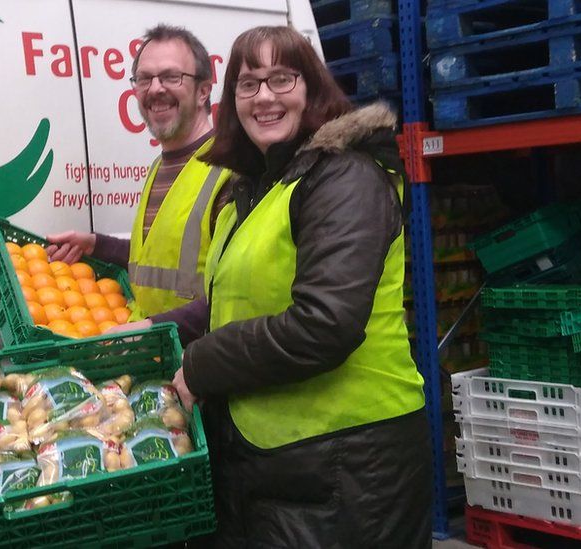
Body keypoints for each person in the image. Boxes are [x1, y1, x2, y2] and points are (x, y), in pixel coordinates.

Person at [172, 26, 432, 547]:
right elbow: (233, 300)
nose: (264, 96)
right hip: (278, 463)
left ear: (311, 88)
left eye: (281, 79)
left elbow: (325, 324)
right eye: (248, 84)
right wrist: (146, 333)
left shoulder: (344, 178)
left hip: (350, 466)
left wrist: (200, 367)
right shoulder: (255, 191)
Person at [47, 25, 231, 336]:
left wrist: (151, 328)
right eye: (144, 79)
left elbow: (237, 295)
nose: (155, 89)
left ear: (203, 91)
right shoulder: (159, 167)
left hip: (203, 365)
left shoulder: (228, 170)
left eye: (171, 77)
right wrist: (96, 244)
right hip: (158, 359)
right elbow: (160, 259)